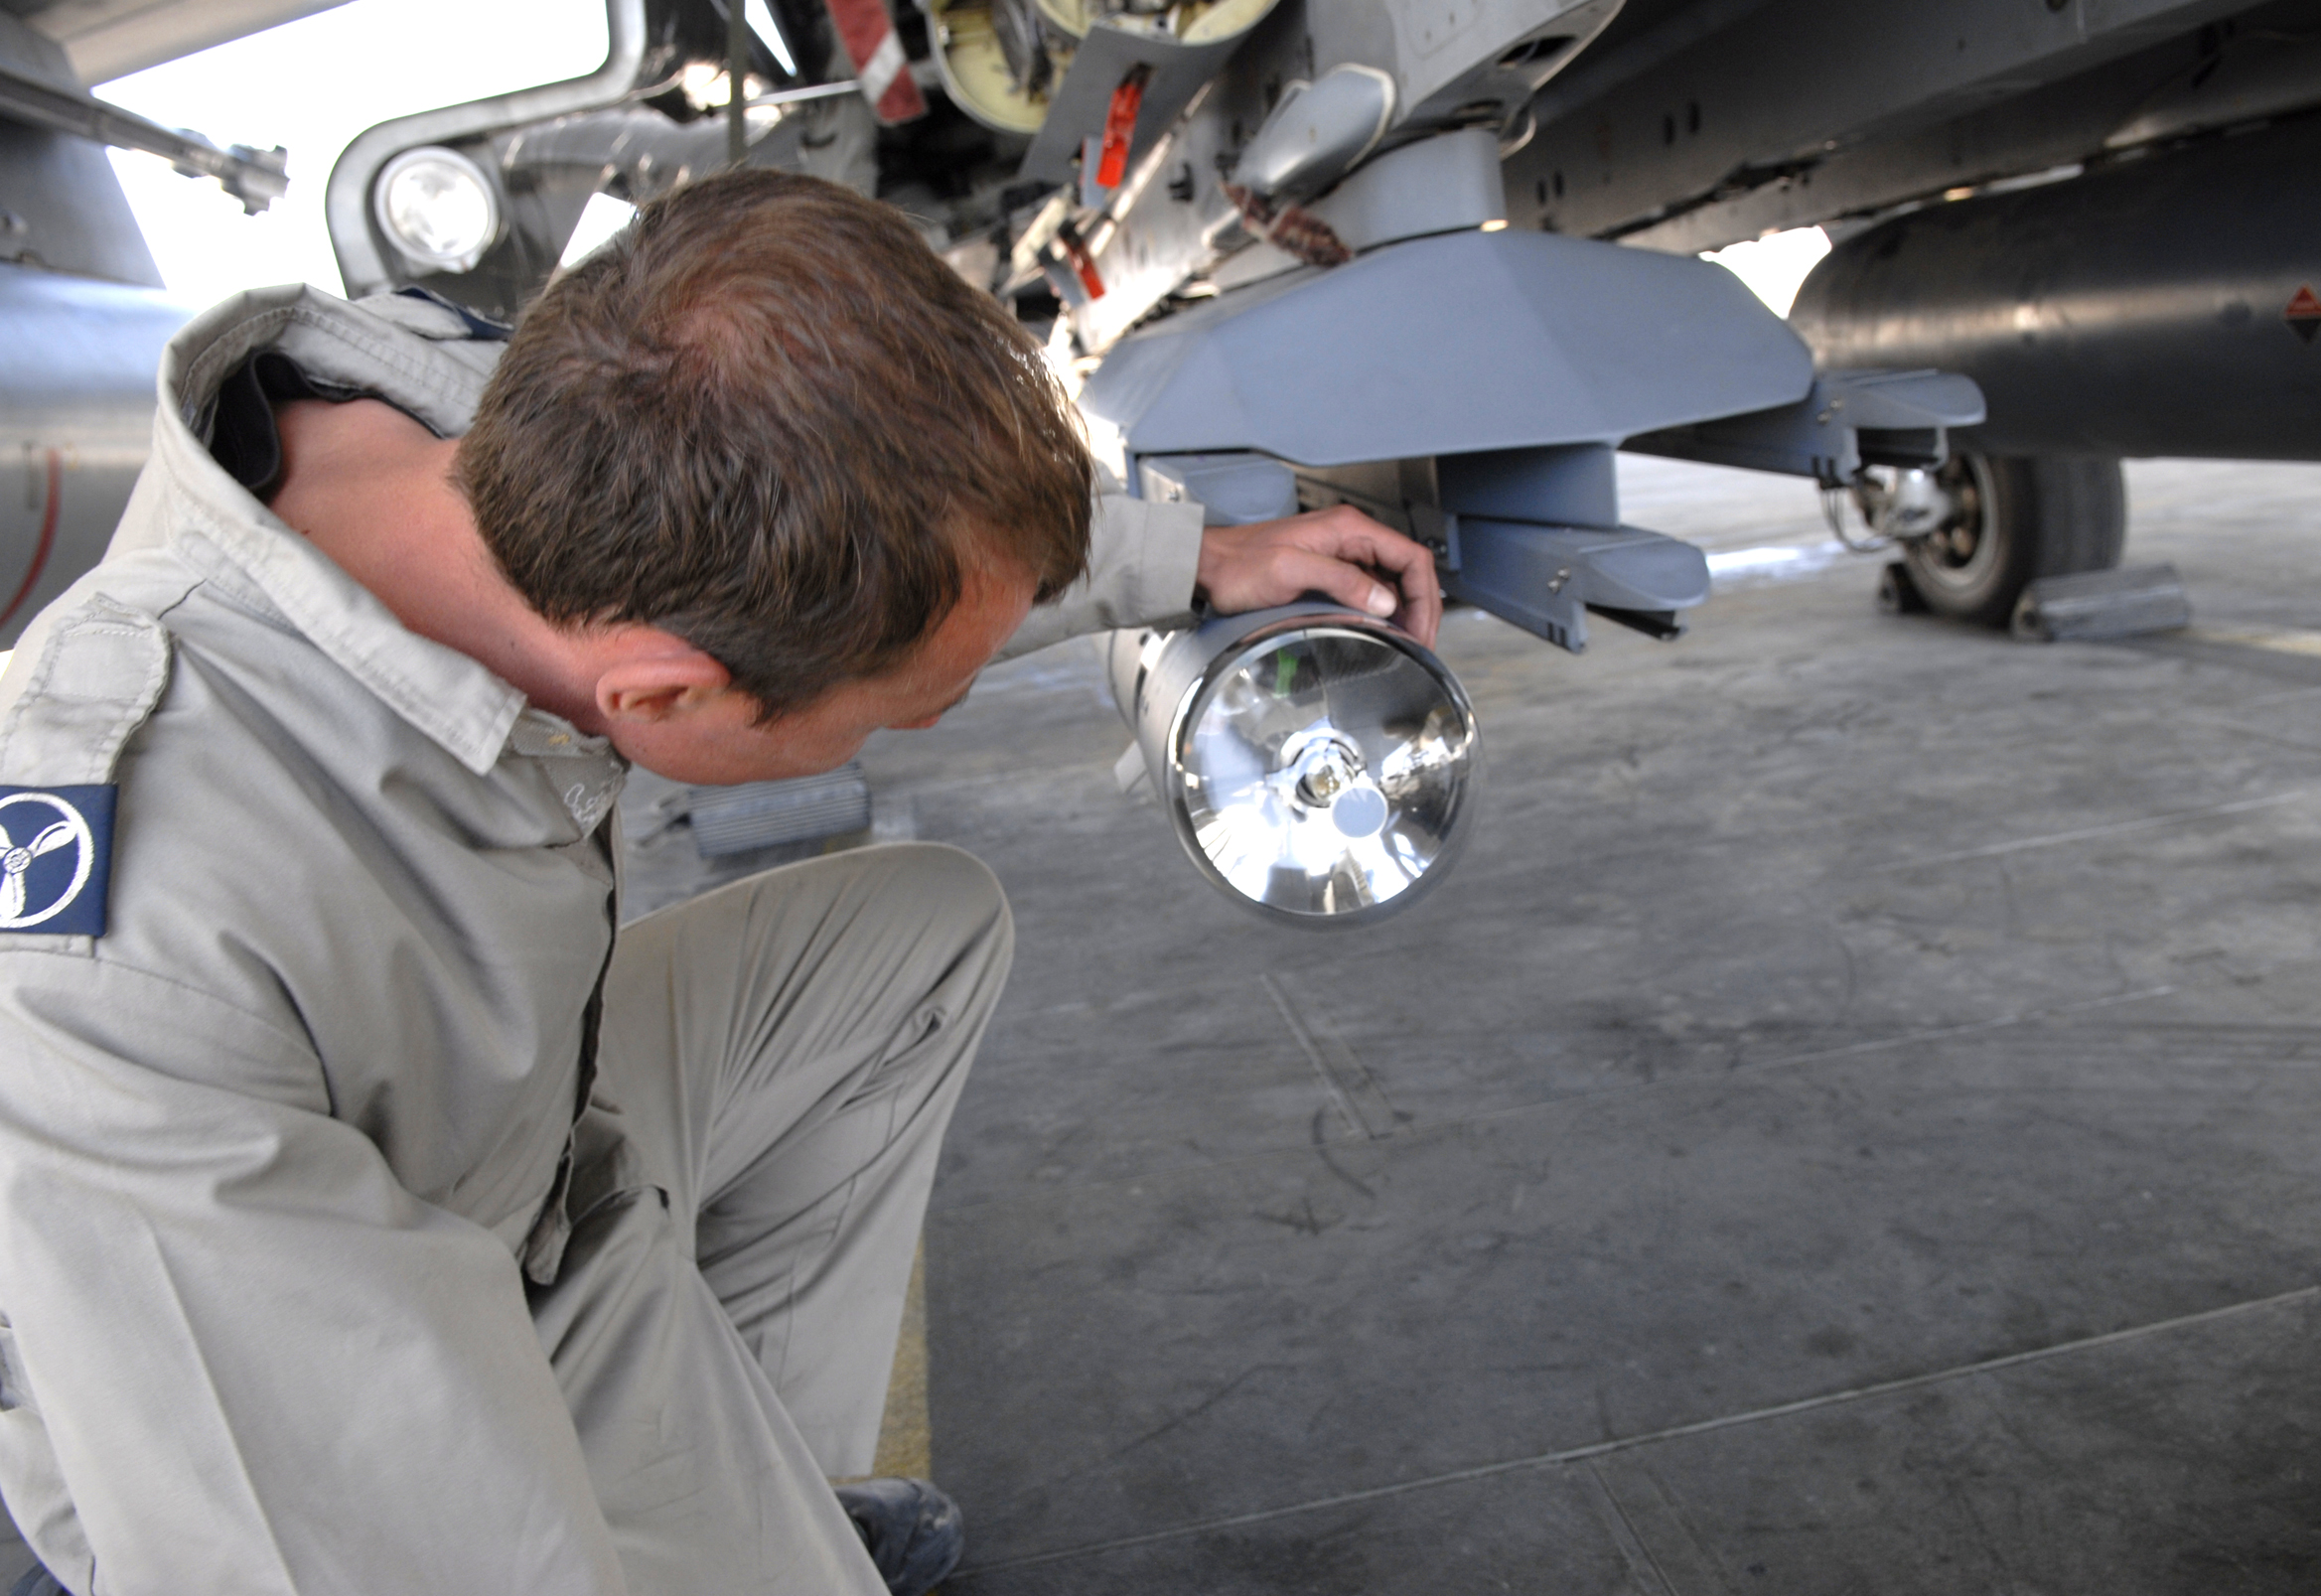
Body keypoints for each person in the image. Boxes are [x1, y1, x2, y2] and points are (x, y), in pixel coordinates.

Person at [0, 169, 1438, 1594]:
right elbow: (309, 1541)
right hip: (292, 1385)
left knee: (912, 941)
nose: (899, 717)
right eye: (893, 714)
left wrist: (1191, 559)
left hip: (505, 1128)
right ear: (667, 701)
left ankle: (759, 1486)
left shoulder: (514, 409)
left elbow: (837, 514)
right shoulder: (134, 964)